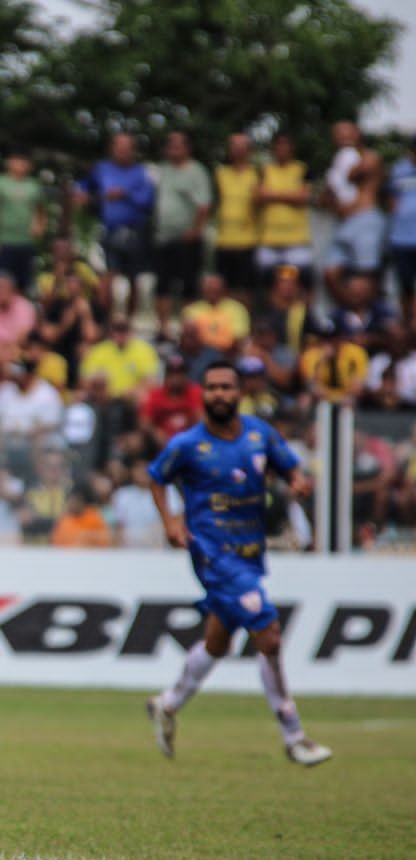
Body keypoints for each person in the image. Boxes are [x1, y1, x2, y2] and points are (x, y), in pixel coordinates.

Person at [145, 361, 331, 767]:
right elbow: (156, 477)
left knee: (218, 642)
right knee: (270, 637)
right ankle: (294, 736)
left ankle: (168, 704)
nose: (219, 394)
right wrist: (171, 521)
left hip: (250, 552)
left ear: (239, 392)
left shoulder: (259, 434)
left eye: (226, 387)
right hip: (212, 553)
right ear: (203, 394)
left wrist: (297, 480)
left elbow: (288, 465)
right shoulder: (188, 444)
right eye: (211, 387)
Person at [74, 132, 155, 318]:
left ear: (134, 150)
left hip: (136, 231)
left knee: (133, 278)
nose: (122, 151)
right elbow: (83, 185)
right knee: (108, 275)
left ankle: (128, 322)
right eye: (119, 147)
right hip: (109, 230)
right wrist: (81, 194)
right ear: (112, 148)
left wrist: (125, 194)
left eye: (127, 147)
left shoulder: (142, 172)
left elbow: (148, 200)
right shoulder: (102, 169)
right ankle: (105, 320)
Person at [151, 131, 212, 333]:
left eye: (178, 145)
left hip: (188, 239)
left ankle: (188, 330)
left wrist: (195, 231)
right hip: (163, 237)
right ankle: (163, 329)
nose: (173, 149)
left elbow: (204, 205)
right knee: (162, 285)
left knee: (188, 286)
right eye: (170, 145)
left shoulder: (197, 171)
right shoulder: (164, 170)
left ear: (188, 148)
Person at [323, 120, 386, 304]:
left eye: (347, 132)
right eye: (338, 133)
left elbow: (352, 175)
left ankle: (374, 314)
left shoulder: (369, 157)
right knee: (331, 273)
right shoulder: (337, 162)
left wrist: (337, 172)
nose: (343, 137)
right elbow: (326, 197)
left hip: (365, 220)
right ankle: (353, 312)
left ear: (357, 134)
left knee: (366, 276)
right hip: (342, 224)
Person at [0, 146, 46, 291]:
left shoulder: (33, 185)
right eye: (16, 160)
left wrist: (40, 226)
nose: (20, 164)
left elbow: (41, 209)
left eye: (23, 161)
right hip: (4, 241)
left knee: (24, 283)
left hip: (26, 241)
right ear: (8, 162)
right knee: (2, 281)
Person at [254, 132, 314, 287]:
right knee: (270, 285)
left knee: (295, 283)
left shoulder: (302, 169)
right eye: (278, 145)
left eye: (285, 144)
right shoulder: (264, 170)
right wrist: (290, 195)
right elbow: (258, 196)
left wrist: (272, 195)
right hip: (269, 240)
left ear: (292, 147)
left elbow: (303, 198)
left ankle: (298, 305)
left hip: (295, 241)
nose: (282, 148)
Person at [213, 133, 260, 301]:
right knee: (223, 288)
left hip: (248, 241)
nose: (238, 150)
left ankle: (245, 317)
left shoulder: (258, 174)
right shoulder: (220, 174)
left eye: (242, 146)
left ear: (249, 150)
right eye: (234, 146)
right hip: (224, 241)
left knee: (246, 289)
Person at [388, 135, 416, 323]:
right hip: (402, 239)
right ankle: (407, 325)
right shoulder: (399, 170)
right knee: (405, 286)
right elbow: (391, 198)